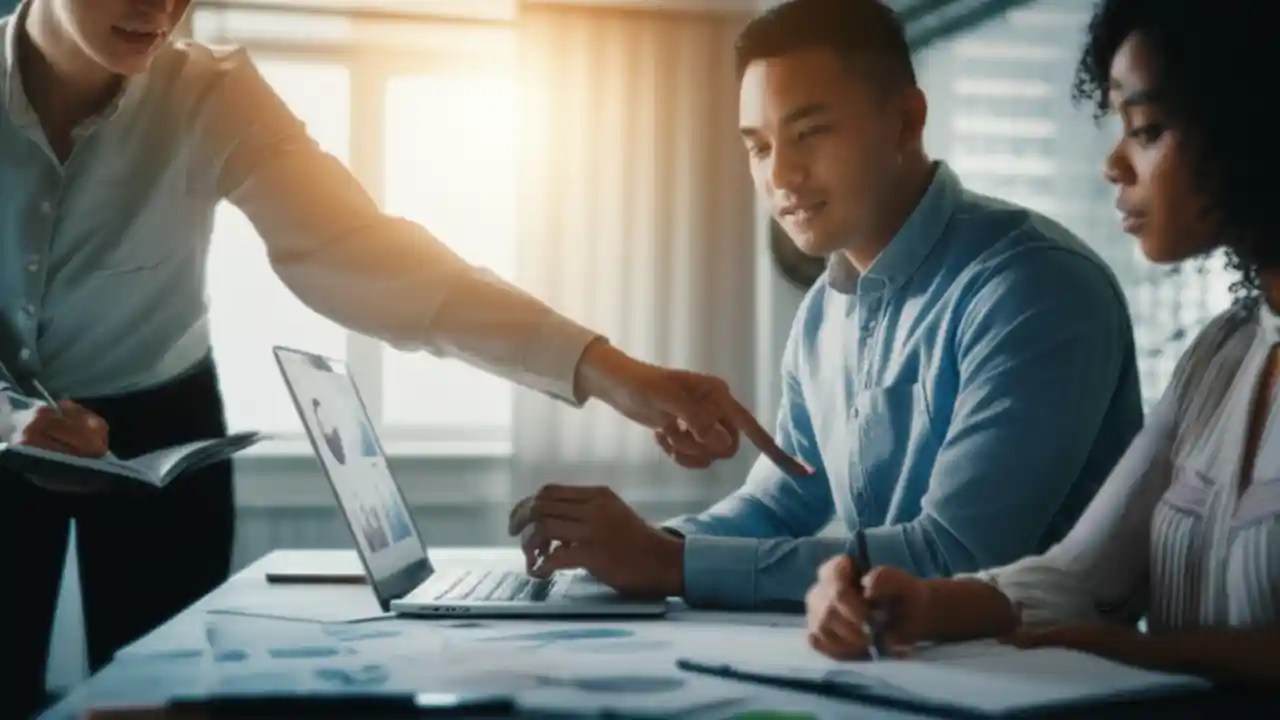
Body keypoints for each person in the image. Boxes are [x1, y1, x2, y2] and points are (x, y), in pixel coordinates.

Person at [0, 0, 805, 715]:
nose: (163, 8)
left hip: (162, 422)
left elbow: (368, 258)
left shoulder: (212, 92)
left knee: (162, 692)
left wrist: (617, 375)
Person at [507, 0, 1143, 608]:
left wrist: (669, 565)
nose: (780, 176)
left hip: (1040, 680)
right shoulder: (823, 312)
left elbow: (960, 555)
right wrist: (644, 548)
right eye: (759, 146)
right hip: (896, 658)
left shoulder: (1032, 286)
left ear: (905, 122)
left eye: (809, 133)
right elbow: (783, 500)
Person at [803, 0, 1279, 689]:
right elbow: (1082, 576)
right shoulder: (1224, 353)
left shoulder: (1044, 284)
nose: (1115, 163)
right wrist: (919, 601)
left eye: (1146, 128)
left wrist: (1153, 658)